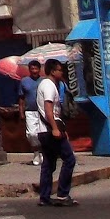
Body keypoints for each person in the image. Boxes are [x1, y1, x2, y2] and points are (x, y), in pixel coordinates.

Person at [36, 57, 77, 206]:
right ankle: (62, 194)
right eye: (60, 70)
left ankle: (44, 197)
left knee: (48, 163)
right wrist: (55, 128)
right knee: (69, 159)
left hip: (44, 129)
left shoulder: (48, 84)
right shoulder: (48, 85)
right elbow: (48, 109)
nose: (62, 72)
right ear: (52, 71)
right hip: (49, 130)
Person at [19, 59, 44, 164]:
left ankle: (42, 153)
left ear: (39, 69)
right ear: (29, 70)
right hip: (29, 111)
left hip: (42, 111)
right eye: (32, 69)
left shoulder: (44, 81)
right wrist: (21, 112)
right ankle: (36, 152)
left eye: (36, 69)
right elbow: (21, 97)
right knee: (31, 134)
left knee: (42, 133)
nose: (34, 71)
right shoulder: (24, 81)